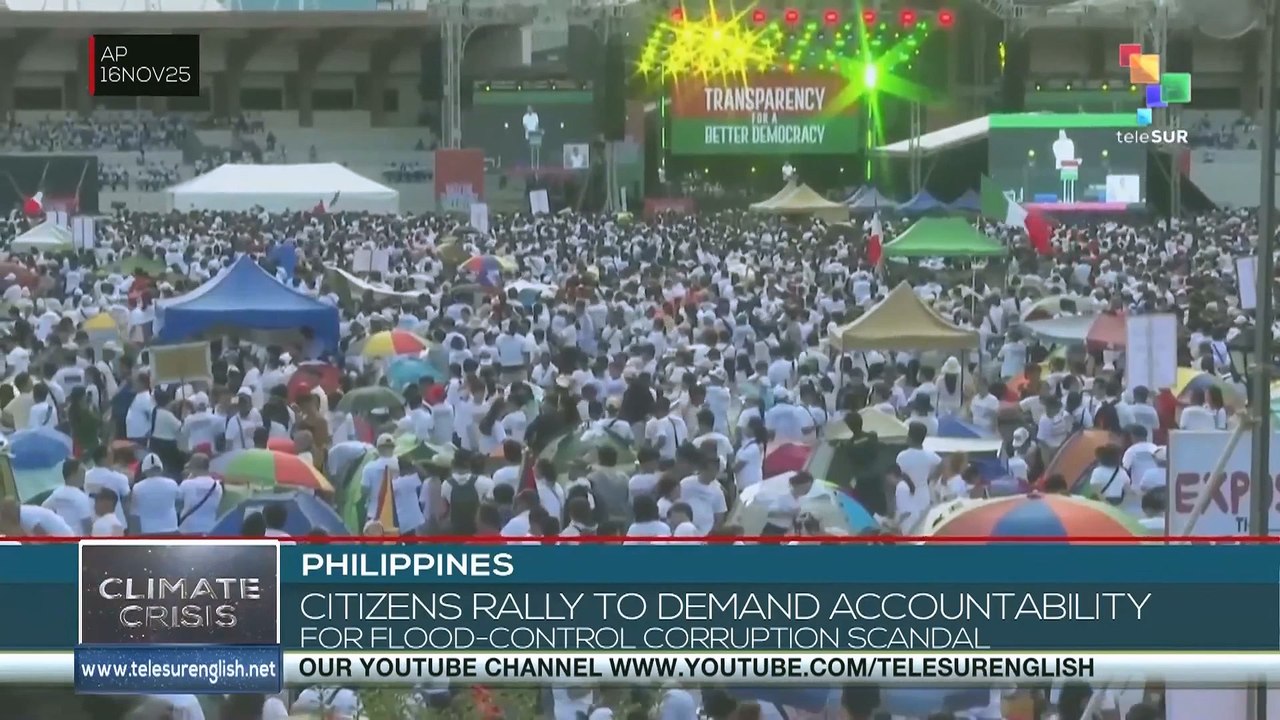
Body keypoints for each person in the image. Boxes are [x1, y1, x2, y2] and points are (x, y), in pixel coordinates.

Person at [132, 453, 180, 535]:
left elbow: (134, 512)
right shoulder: (172, 483)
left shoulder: (137, 487)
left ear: (144, 470)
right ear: (161, 468)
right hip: (171, 528)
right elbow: (178, 502)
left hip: (148, 530)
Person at [177, 453, 222, 535]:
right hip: (210, 529)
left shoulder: (187, 484)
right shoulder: (217, 486)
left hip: (188, 530)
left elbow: (177, 501)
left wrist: (188, 478)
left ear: (193, 467)